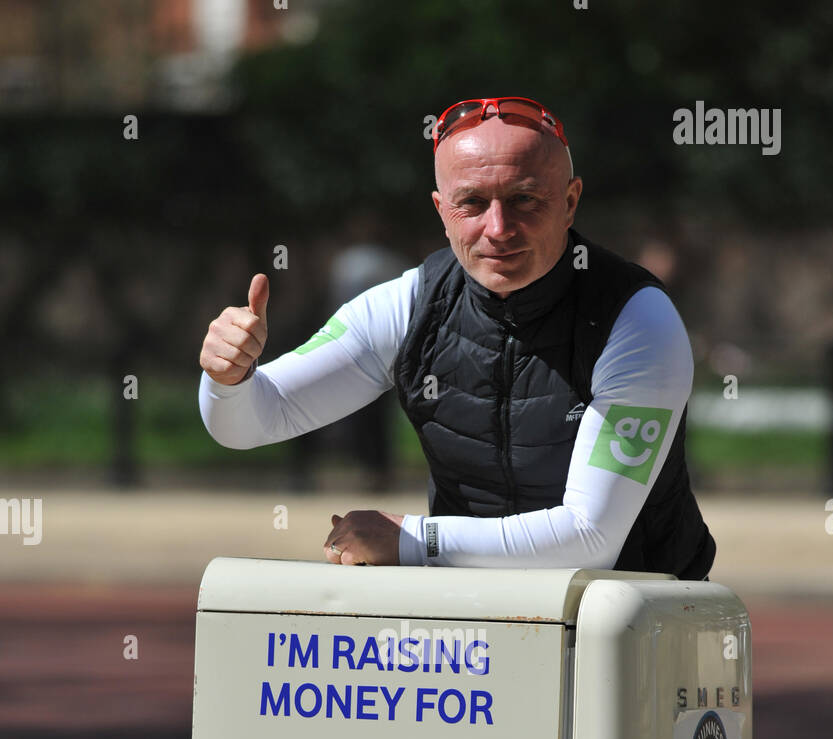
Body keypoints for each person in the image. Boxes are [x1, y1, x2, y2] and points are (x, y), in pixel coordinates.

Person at [199, 96, 715, 577]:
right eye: (472, 202)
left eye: (524, 199)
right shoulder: (405, 306)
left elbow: (589, 539)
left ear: (570, 201)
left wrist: (409, 540)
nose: (498, 227)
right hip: (471, 620)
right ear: (440, 209)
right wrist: (227, 379)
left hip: (636, 625)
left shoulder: (638, 318)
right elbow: (251, 423)